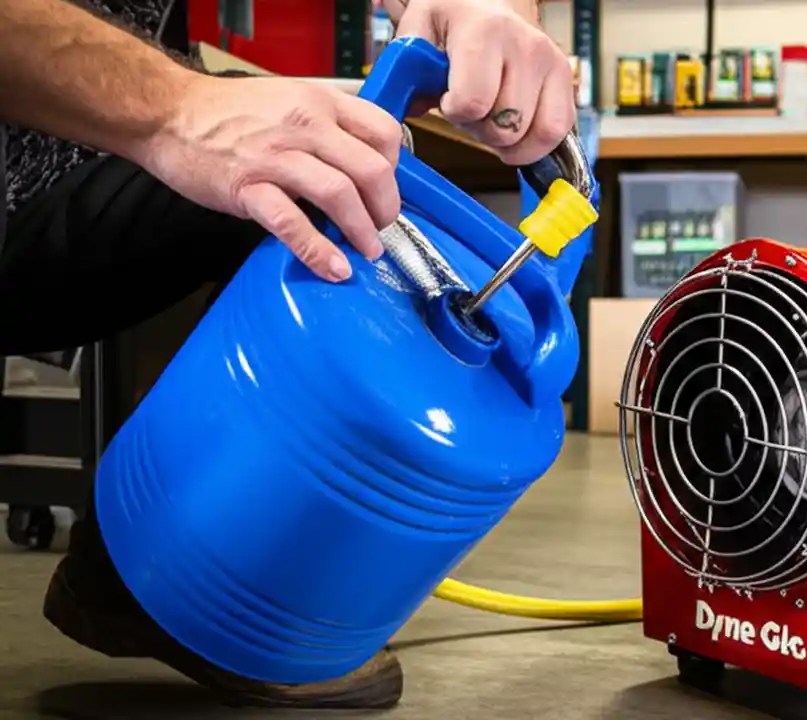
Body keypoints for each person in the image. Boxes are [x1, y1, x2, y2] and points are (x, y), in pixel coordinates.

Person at [0, 0, 574, 709]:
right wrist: (178, 110)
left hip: (103, 160)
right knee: (298, 179)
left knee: (326, 166)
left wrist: (485, 16)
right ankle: (171, 574)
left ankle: (158, 584)